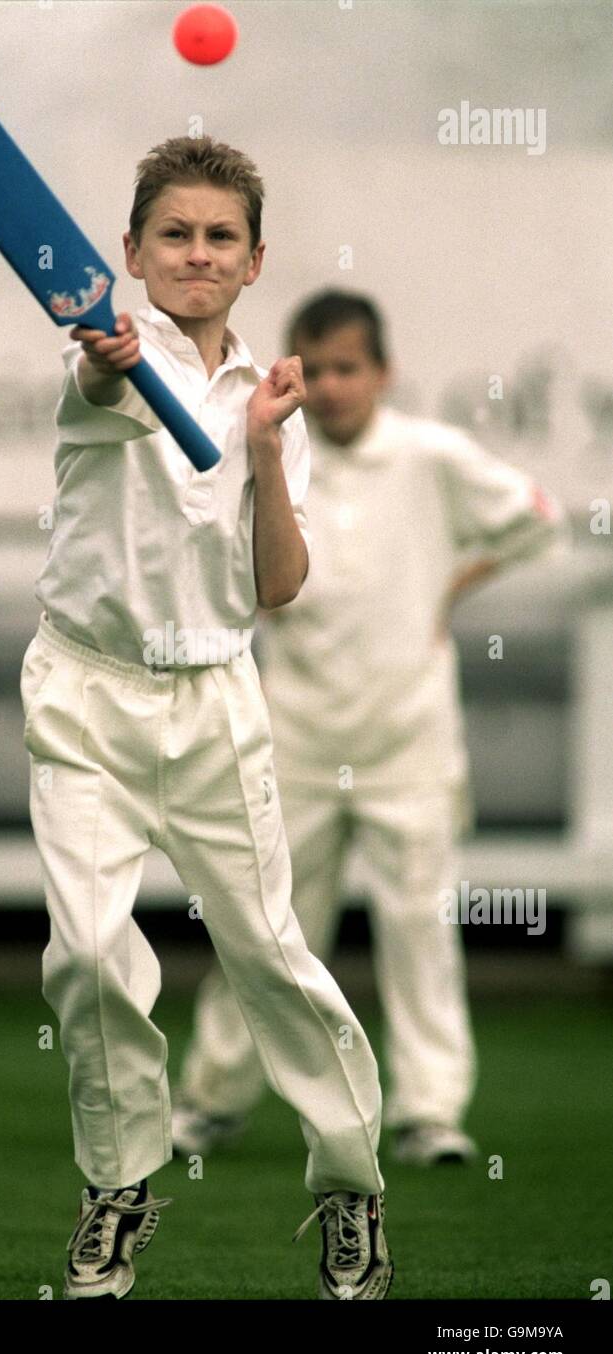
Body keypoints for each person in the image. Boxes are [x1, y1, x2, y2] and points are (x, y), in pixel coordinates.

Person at [20, 145, 393, 1300]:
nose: (194, 254)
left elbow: (277, 584)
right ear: (128, 255)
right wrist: (106, 360)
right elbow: (96, 394)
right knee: (84, 954)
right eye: (171, 235)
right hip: (83, 693)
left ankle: (349, 1190)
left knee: (271, 957)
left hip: (215, 699)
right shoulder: (100, 359)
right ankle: (118, 1188)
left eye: (216, 237)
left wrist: (268, 449)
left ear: (252, 261)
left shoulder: (266, 397)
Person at [172, 290, 567, 1168]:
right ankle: (210, 1101)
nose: (337, 388)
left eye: (351, 369)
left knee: (419, 929)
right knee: (263, 925)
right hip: (294, 735)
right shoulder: (270, 447)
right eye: (319, 371)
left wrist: (447, 592)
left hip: (407, 740)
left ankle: (428, 1113)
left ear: (383, 373)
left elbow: (539, 520)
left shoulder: (430, 454)